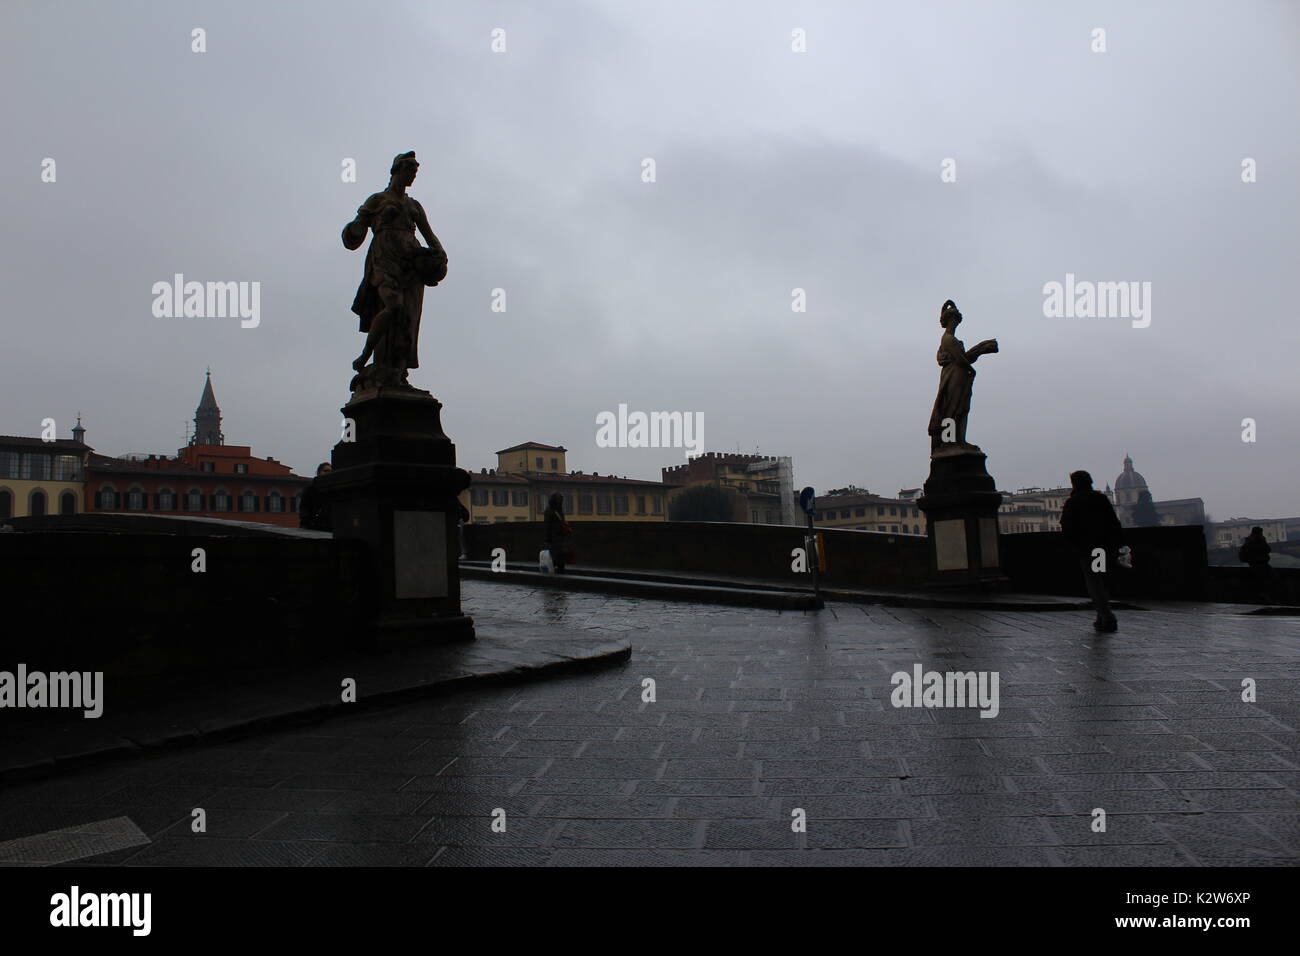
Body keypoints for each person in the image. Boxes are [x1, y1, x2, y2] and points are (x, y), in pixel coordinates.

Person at [1060, 469, 1124, 632]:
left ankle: (1107, 616)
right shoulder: (1101, 499)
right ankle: (1102, 614)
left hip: (1086, 548)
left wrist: (1075, 544)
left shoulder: (1073, 502)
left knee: (1094, 582)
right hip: (1102, 547)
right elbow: (1114, 523)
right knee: (1100, 580)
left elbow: (1067, 526)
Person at [1239, 526, 1274, 603]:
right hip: (1259, 565)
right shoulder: (1256, 541)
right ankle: (1265, 596)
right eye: (1261, 533)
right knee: (1269, 579)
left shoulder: (1248, 541)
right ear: (1258, 533)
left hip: (1255, 565)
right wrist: (1263, 541)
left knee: (1263, 581)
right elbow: (1267, 549)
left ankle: (1264, 596)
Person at [298, 462, 333, 531]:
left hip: (328, 528)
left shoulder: (333, 489)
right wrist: (307, 522)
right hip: (312, 528)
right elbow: (304, 507)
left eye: (330, 471)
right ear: (318, 473)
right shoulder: (309, 489)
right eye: (326, 471)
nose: (328, 473)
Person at [543, 492, 571, 574]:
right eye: (558, 499)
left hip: (560, 536)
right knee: (558, 555)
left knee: (560, 555)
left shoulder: (558, 510)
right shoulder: (551, 511)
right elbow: (547, 526)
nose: (560, 501)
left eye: (560, 500)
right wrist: (547, 539)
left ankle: (559, 570)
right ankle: (559, 570)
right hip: (555, 537)